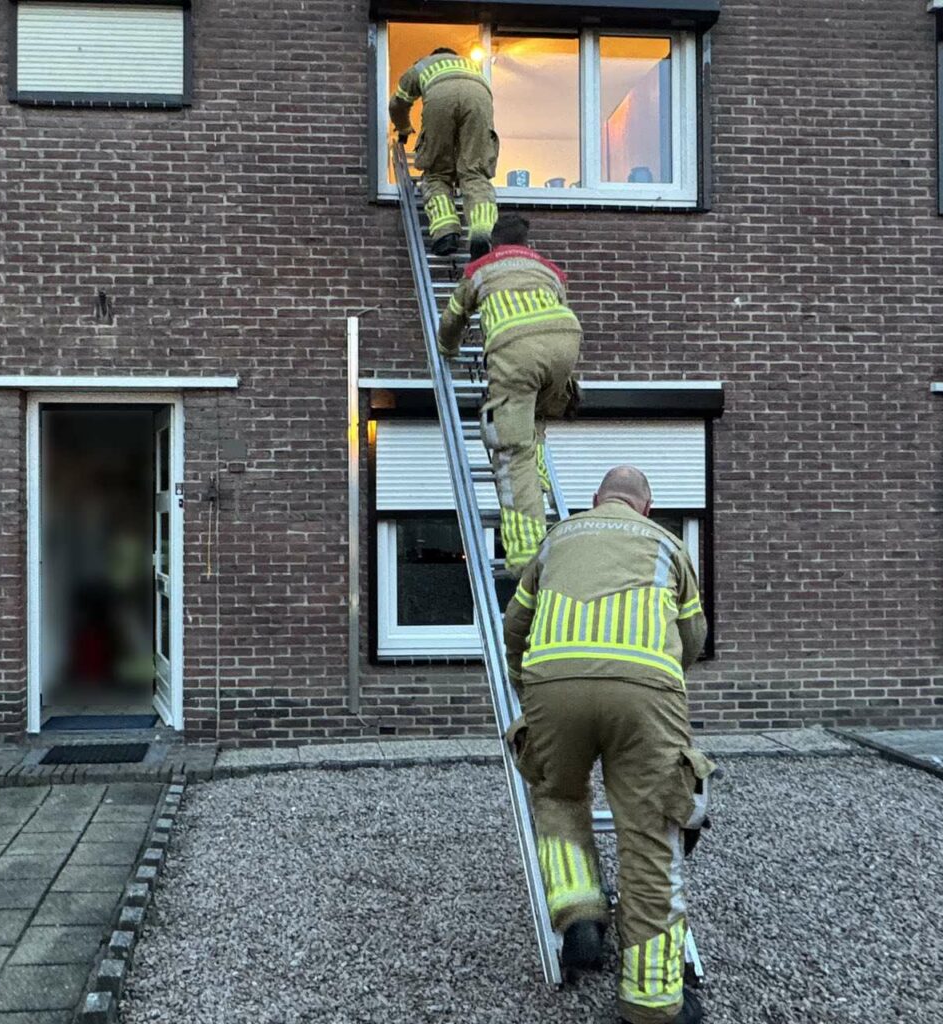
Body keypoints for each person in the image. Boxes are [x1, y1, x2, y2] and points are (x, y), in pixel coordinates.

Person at [503, 466, 715, 1024]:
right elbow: (693, 640)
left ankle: (579, 916)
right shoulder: (668, 544)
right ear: (646, 507)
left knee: (557, 797)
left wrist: (531, 686)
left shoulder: (554, 540)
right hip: (645, 696)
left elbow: (514, 627)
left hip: (553, 687)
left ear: (596, 501)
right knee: (649, 835)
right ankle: (650, 1003)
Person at [437, 212, 580, 577]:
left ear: (494, 244)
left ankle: (524, 557)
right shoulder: (549, 269)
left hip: (516, 353)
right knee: (532, 421)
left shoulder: (480, 269)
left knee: (511, 454)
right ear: (526, 244)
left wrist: (446, 349)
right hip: (566, 345)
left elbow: (453, 318)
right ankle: (541, 475)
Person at [388, 46, 499, 258]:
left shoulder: (422, 66)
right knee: (475, 173)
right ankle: (482, 232)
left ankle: (445, 234)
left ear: (433, 56)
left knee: (437, 173)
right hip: (479, 99)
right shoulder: (472, 67)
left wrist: (403, 129)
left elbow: (397, 104)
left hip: (440, 99)